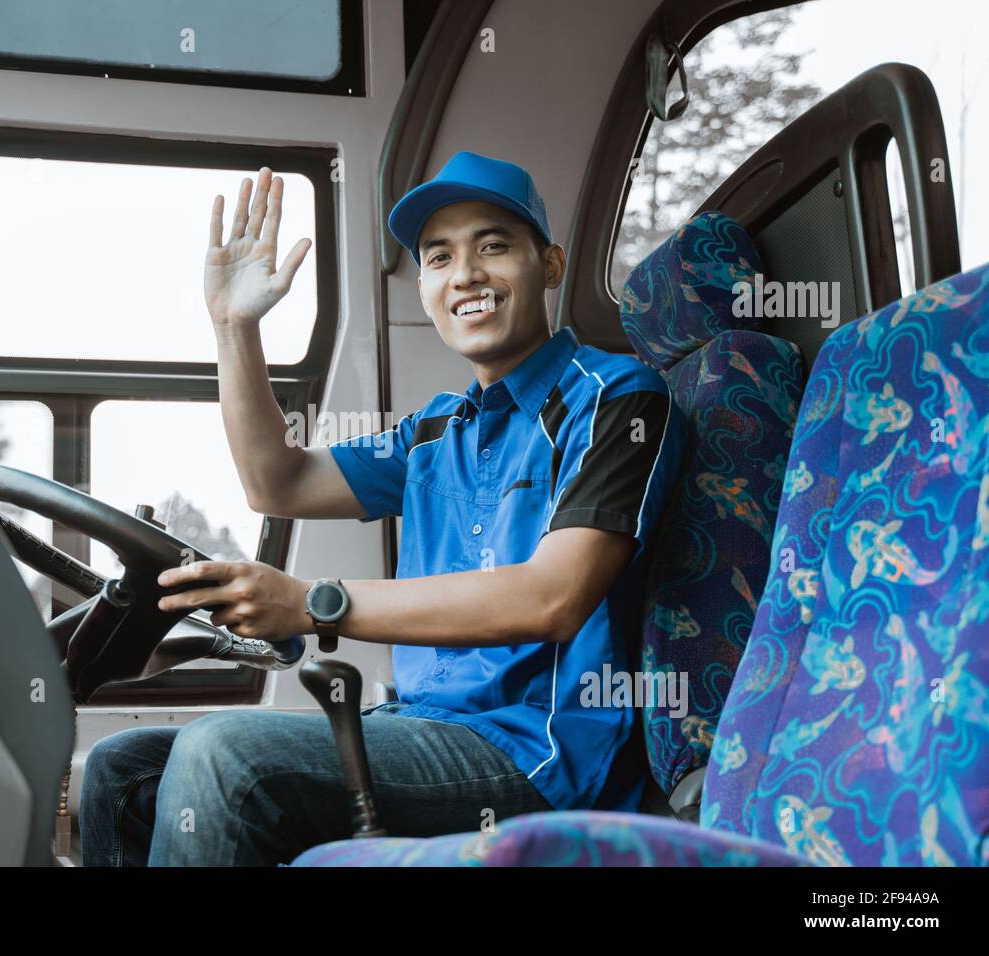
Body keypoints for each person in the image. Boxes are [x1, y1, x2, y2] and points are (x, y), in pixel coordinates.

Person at [79, 151, 686, 866]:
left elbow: (553, 597)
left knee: (225, 753)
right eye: (439, 256)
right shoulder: (436, 430)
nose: (466, 274)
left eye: (494, 245)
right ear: (426, 285)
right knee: (120, 768)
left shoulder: (617, 397)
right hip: (415, 724)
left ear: (549, 265)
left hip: (536, 751)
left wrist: (316, 604)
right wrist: (234, 328)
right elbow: (279, 482)